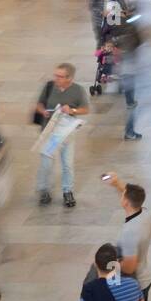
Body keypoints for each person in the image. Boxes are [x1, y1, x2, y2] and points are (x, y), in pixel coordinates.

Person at [33, 63, 90, 208]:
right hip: (50, 133)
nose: (56, 78)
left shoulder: (78, 90)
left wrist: (72, 110)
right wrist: (43, 111)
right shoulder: (49, 86)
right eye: (56, 75)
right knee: (46, 164)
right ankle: (44, 189)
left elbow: (85, 109)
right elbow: (39, 104)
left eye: (60, 76)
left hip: (66, 134)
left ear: (69, 78)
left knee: (67, 164)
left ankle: (67, 191)